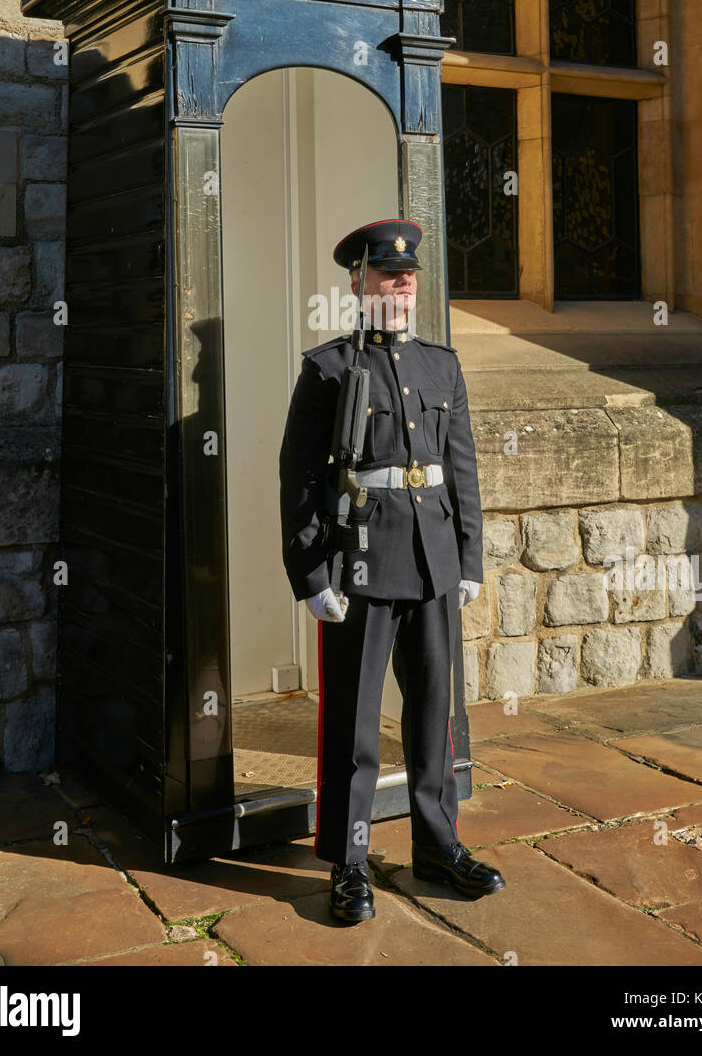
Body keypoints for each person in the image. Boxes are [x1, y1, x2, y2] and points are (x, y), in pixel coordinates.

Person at [278, 218, 505, 923]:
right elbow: (298, 476)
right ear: (358, 283)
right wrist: (312, 575)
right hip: (362, 563)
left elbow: (460, 467)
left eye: (405, 276)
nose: (398, 285)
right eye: (384, 274)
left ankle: (438, 847)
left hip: (433, 559)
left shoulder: (442, 365)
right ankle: (347, 864)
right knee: (350, 723)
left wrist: (467, 557)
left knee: (432, 713)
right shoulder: (329, 367)